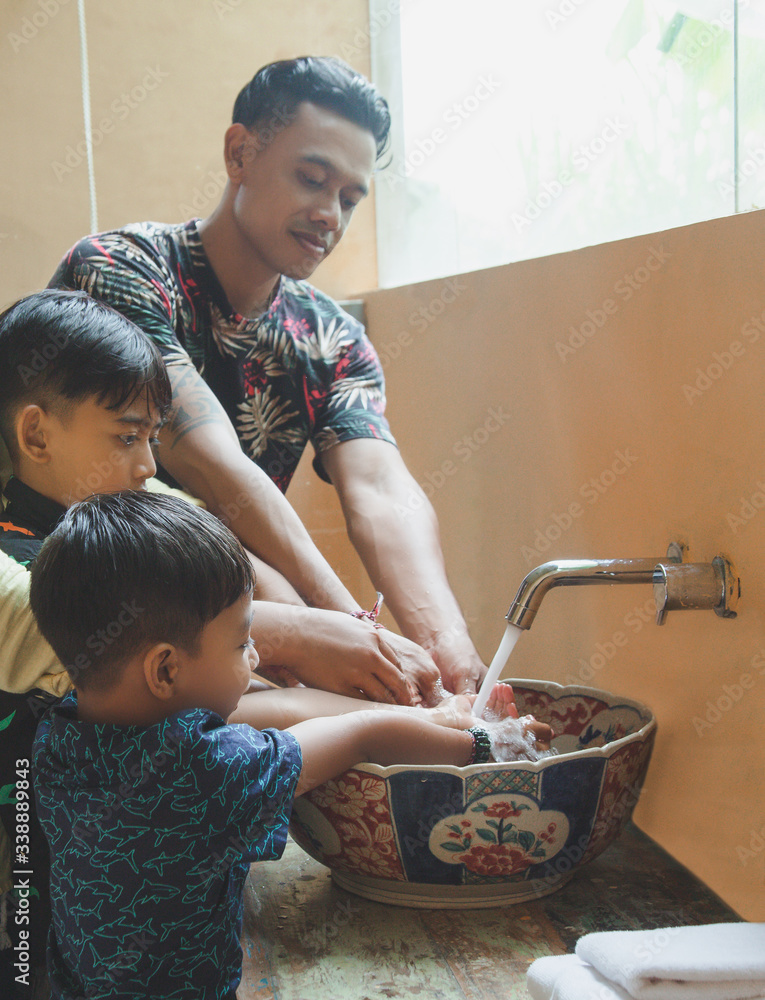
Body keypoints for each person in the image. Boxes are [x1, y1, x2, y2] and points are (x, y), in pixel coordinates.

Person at [48, 55, 487, 697]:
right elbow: (206, 458)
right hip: (86, 614)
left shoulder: (334, 338)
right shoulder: (121, 269)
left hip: (230, 631)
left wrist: (443, 643)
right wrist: (348, 621)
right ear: (240, 154)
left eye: (349, 198)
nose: (330, 215)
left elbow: (381, 491)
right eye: (312, 178)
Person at [29, 490, 550, 1000]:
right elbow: (357, 735)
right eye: (241, 643)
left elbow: (284, 716)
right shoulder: (203, 769)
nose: (255, 659)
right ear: (165, 669)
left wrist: (438, 716)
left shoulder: (58, 734)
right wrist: (484, 741)